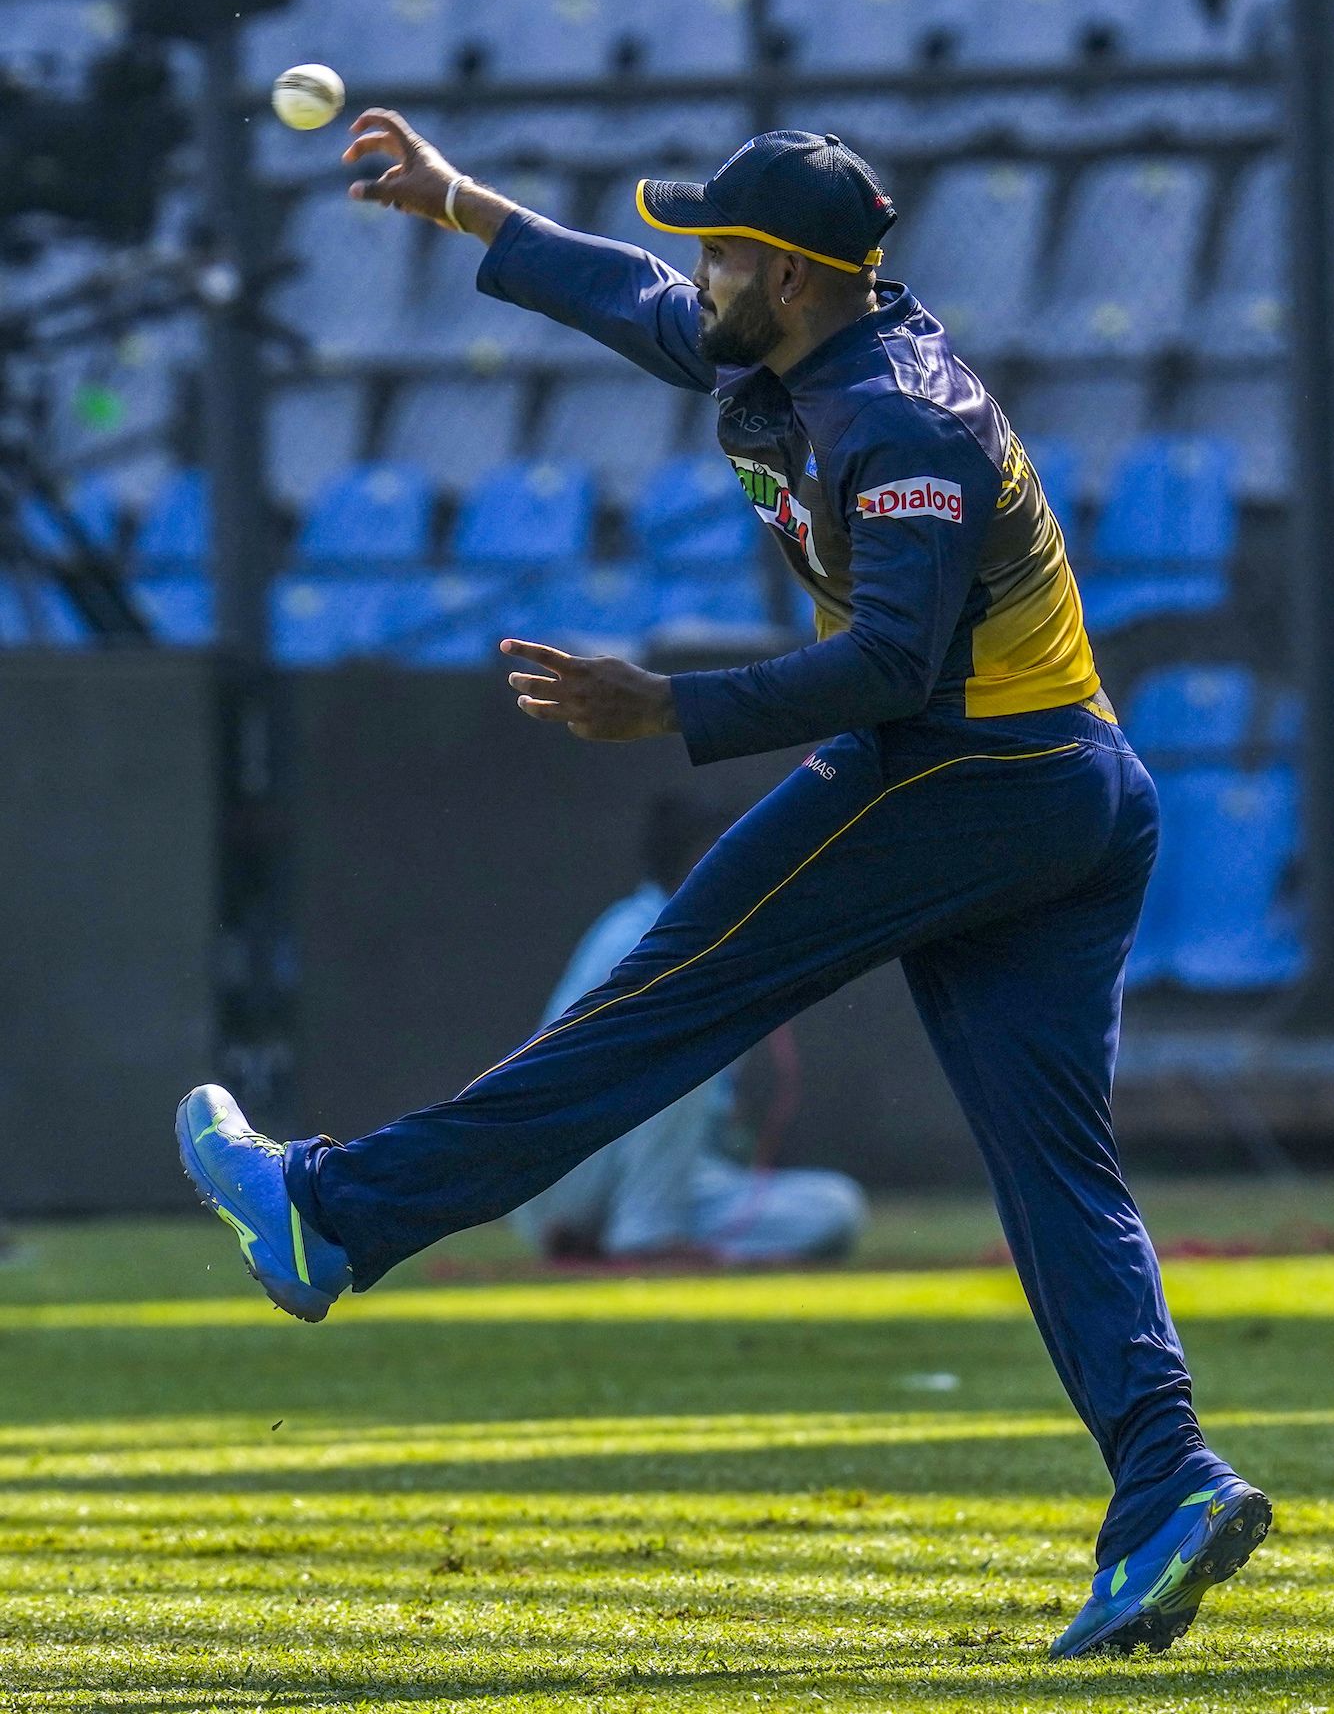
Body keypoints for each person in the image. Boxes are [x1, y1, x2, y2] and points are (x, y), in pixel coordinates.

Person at [177, 115, 1271, 1660]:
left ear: (789, 273)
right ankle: (1168, 1483)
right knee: (1056, 1167)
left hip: (973, 773)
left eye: (720, 248)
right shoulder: (800, 345)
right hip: (1065, 790)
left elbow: (894, 659)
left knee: (659, 1000)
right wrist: (460, 205)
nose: (698, 267)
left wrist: (668, 708)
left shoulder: (900, 424)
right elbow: (637, 299)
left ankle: (332, 1216)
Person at [511, 789, 866, 1263]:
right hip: (564, 1170)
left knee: (833, 1210)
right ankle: (645, 1242)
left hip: (657, 1183)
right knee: (686, 1047)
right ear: (681, 860)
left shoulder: (714, 940)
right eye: (718, 851)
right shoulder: (634, 932)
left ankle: (638, 1245)